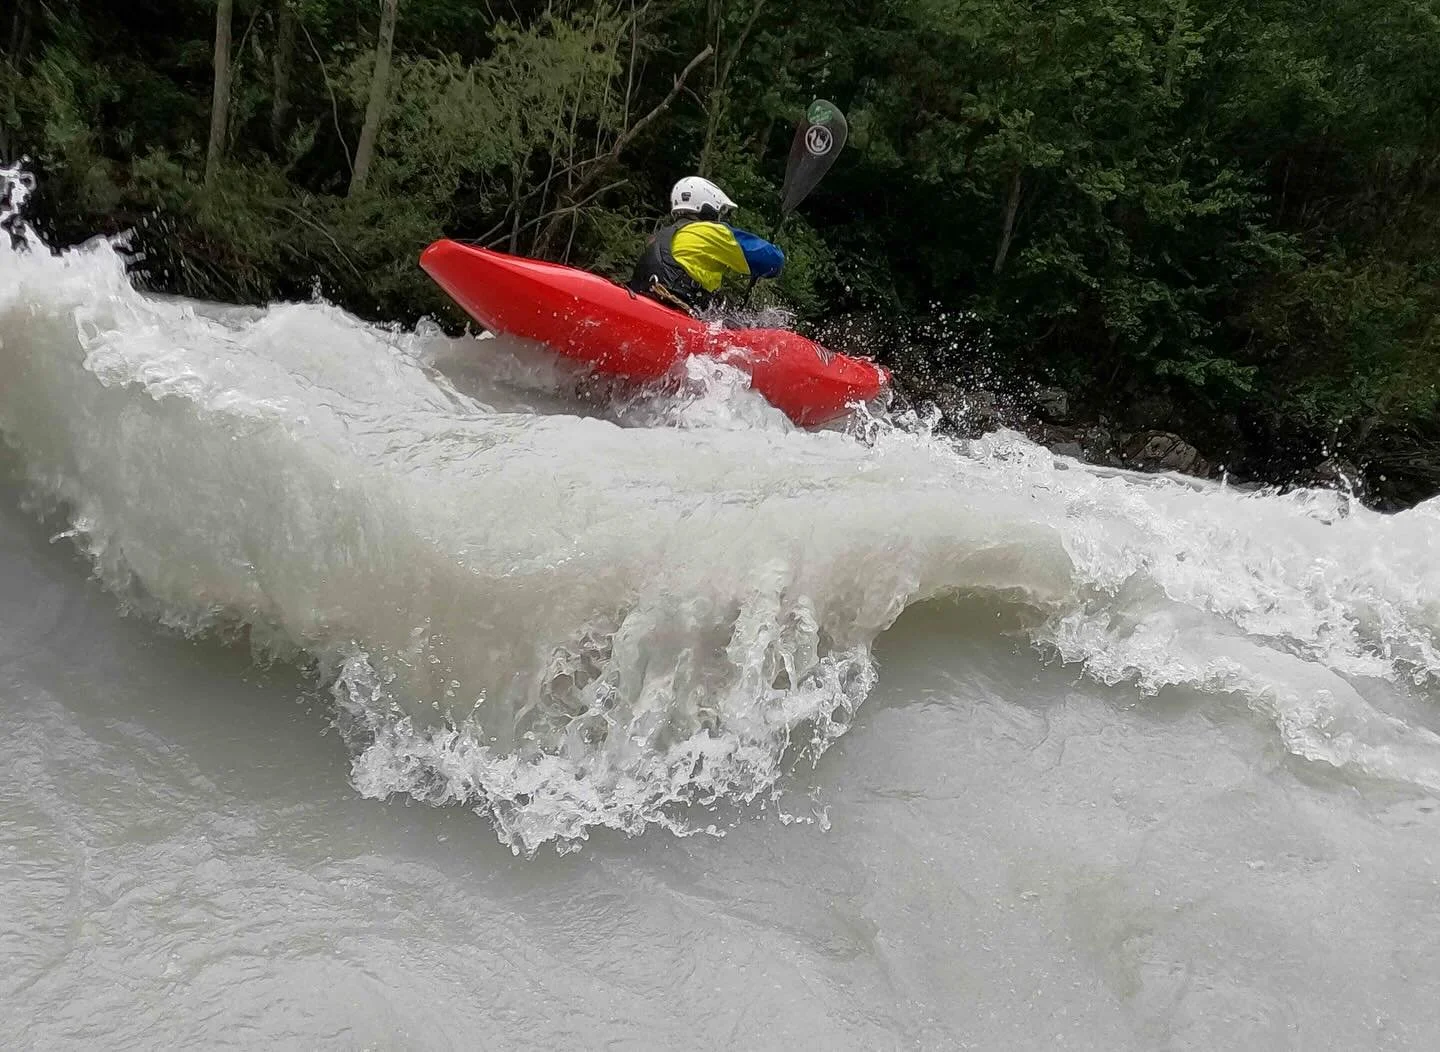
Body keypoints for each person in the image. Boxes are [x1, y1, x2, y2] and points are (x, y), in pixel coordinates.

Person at [627, 176, 784, 312]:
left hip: (647, 302)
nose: (719, 219)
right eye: (719, 212)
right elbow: (772, 261)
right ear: (709, 208)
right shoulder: (711, 232)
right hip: (675, 311)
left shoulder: (660, 236)